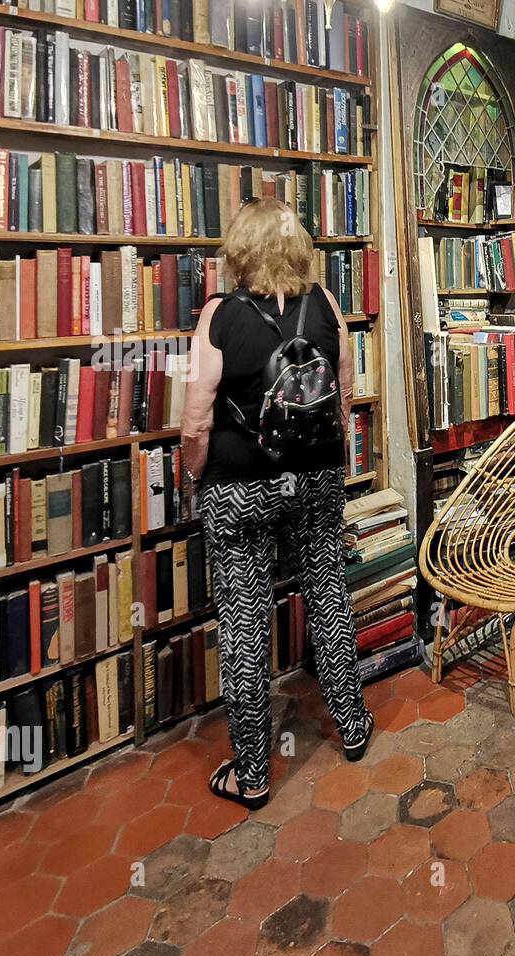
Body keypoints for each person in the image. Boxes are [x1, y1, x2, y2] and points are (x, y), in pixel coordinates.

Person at [182, 198, 372, 810]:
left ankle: (253, 774)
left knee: (243, 623)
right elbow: (345, 395)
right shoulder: (326, 305)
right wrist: (322, 456)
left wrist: (195, 478)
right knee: (329, 596)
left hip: (240, 485)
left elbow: (194, 423)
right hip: (316, 479)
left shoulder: (219, 316)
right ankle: (353, 725)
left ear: (241, 250)